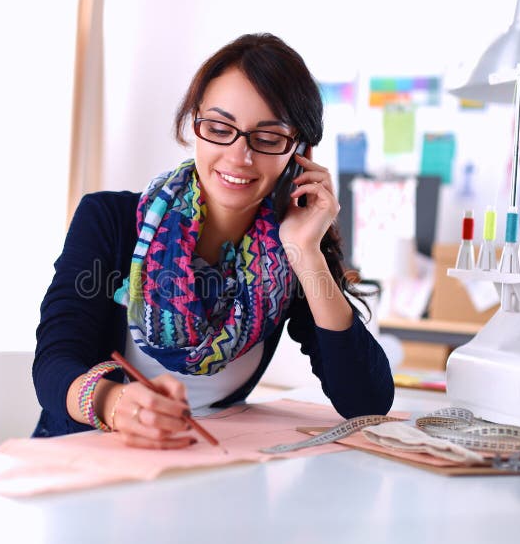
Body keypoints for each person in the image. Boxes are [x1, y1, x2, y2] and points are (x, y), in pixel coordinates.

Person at [32, 33, 394, 448]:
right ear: (195, 124)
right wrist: (116, 403)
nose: (240, 156)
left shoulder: (287, 253)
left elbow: (367, 402)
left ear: (299, 152)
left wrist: (305, 253)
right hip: (90, 459)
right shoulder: (108, 219)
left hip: (213, 472)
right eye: (220, 128)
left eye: (269, 138)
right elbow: (53, 364)